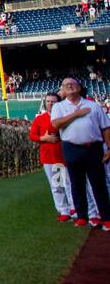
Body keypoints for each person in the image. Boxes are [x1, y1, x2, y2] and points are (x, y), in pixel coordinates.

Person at [49, 78, 110, 230]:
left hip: (93, 147)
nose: (69, 86)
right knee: (77, 183)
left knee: (99, 183)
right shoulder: (59, 107)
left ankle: (106, 217)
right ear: (62, 90)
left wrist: (109, 147)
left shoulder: (93, 105)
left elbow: (106, 127)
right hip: (71, 147)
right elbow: (55, 124)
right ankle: (82, 216)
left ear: (79, 87)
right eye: (65, 85)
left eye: (73, 84)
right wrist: (76, 115)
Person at [30, 92, 73, 221]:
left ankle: (75, 208)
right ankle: (64, 210)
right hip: (49, 156)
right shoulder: (39, 119)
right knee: (57, 185)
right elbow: (32, 135)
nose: (50, 104)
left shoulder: (64, 117)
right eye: (48, 101)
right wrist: (44, 138)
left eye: (53, 102)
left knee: (70, 183)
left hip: (65, 155)